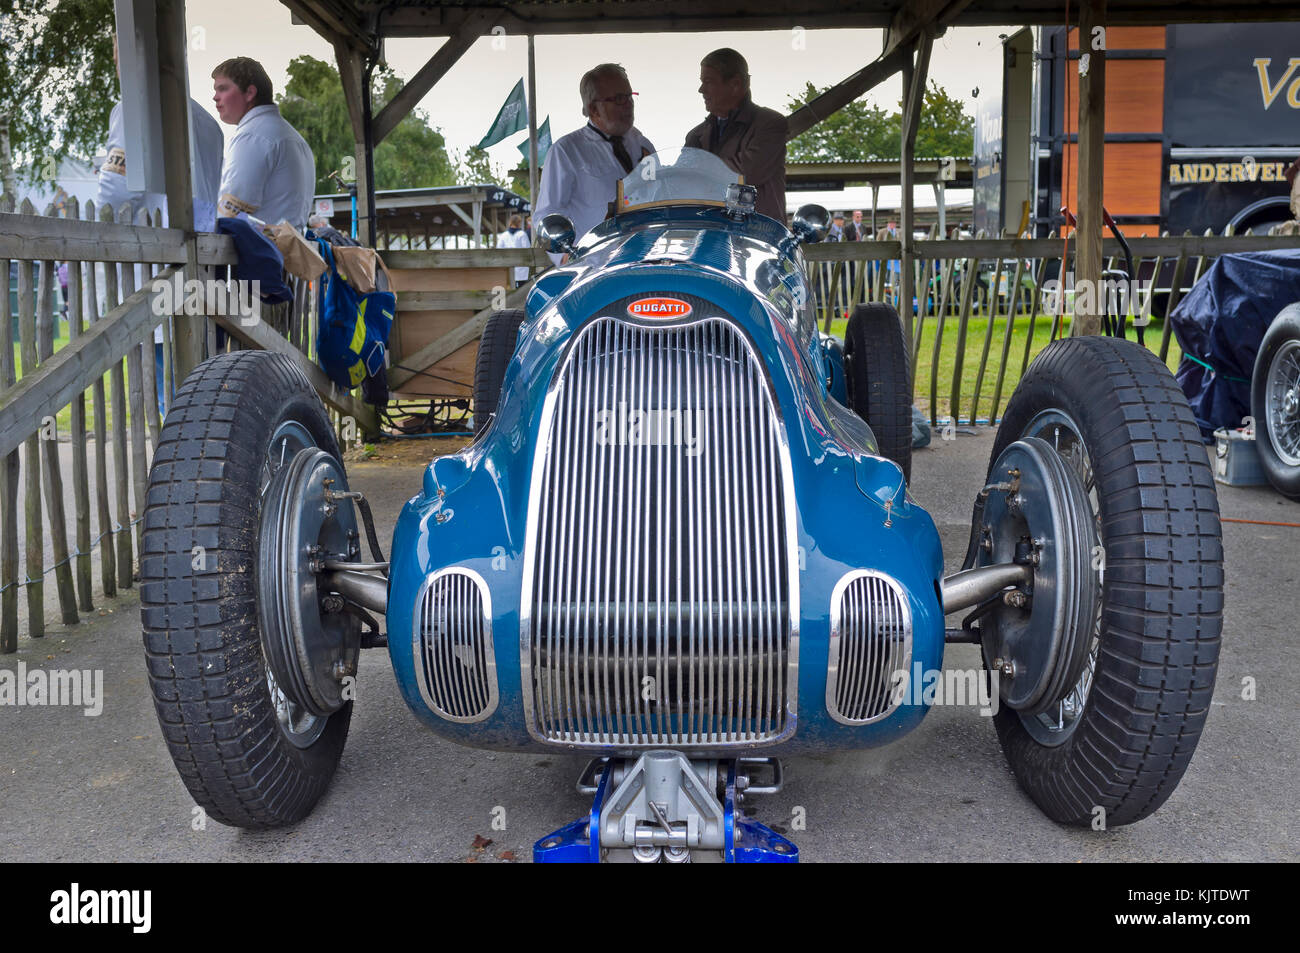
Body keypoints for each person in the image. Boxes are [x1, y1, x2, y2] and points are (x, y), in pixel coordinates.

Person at [98, 32, 224, 416]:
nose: (117, 64)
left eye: (119, 55)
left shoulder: (134, 108)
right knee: (201, 394)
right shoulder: (207, 122)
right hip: (202, 274)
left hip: (153, 279)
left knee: (168, 406)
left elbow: (114, 194)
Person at [533, 63, 655, 264]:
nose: (628, 104)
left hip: (643, 262)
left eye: (629, 96)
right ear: (593, 109)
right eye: (618, 99)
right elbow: (547, 217)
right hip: (594, 269)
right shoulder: (566, 151)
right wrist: (566, 260)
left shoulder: (642, 144)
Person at [684, 48, 787, 222]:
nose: (701, 89)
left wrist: (698, 167)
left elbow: (746, 174)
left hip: (759, 238)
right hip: (710, 236)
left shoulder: (771, 123)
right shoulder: (696, 135)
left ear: (736, 84)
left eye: (708, 81)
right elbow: (683, 181)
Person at [212, 56, 315, 229]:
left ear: (250, 93)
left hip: (258, 251)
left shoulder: (252, 135)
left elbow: (230, 212)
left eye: (223, 89)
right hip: (284, 248)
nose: (215, 97)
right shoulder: (291, 135)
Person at [499, 213, 532, 286]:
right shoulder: (522, 234)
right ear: (519, 223)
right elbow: (527, 250)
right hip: (521, 268)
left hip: (508, 267)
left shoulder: (504, 235)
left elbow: (499, 250)